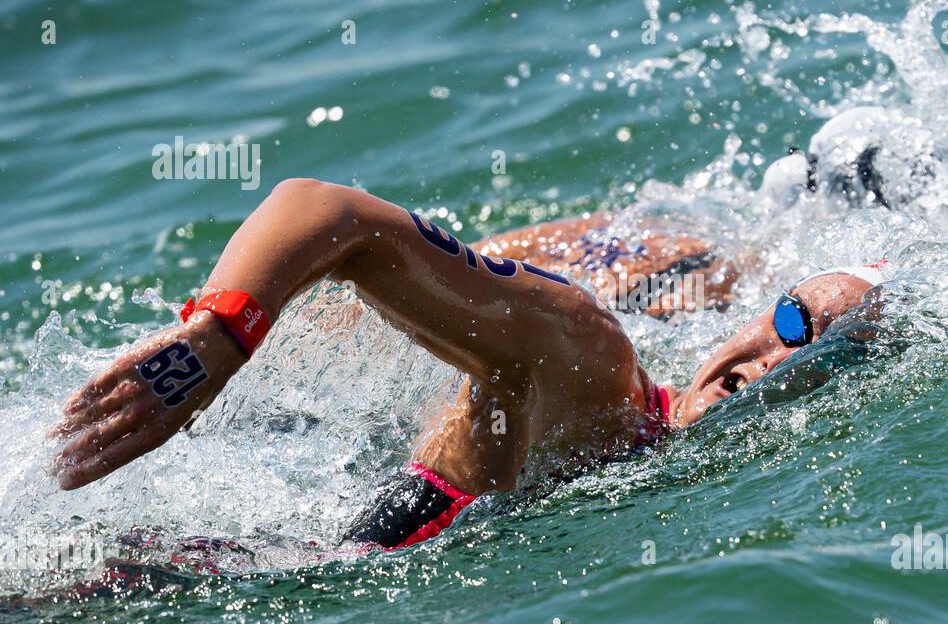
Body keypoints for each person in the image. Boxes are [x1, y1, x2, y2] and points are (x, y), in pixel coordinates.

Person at [49, 178, 888, 551]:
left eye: (824, 363)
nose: (784, 360)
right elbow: (327, 210)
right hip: (187, 556)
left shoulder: (642, 445)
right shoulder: (596, 361)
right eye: (794, 319)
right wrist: (215, 341)